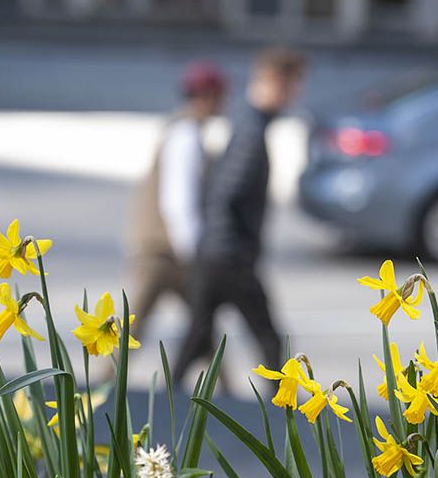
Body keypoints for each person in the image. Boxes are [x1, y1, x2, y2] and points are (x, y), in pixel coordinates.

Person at [173, 48, 306, 387]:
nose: (295, 94)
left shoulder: (247, 125)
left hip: (216, 252)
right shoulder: (251, 131)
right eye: (292, 86)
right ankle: (284, 410)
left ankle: (167, 400)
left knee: (197, 336)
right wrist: (243, 246)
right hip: (229, 255)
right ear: (275, 83)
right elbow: (229, 191)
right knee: (268, 338)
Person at [127, 61, 227, 343]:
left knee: (202, 324)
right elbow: (178, 201)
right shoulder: (186, 135)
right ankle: (104, 385)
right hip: (165, 252)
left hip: (163, 248)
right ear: (206, 97)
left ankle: (222, 382)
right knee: (135, 329)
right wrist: (193, 253)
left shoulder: (183, 130)